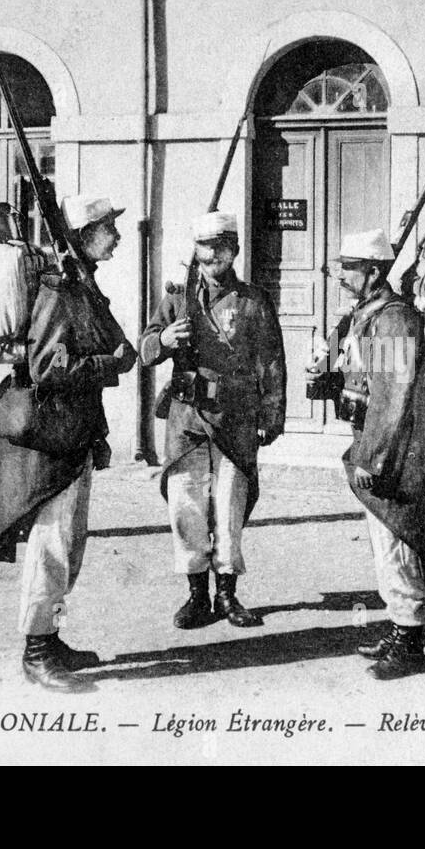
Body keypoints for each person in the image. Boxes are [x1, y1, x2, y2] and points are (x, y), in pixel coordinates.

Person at [0, 195, 137, 692]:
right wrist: (111, 363)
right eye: (109, 228)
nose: (116, 236)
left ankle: (51, 635)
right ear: (86, 234)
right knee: (51, 547)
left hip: (74, 435)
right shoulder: (57, 289)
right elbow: (50, 367)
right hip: (50, 441)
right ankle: (36, 652)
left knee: (70, 543)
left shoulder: (81, 286)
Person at [140, 211, 286, 629]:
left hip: (235, 419)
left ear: (235, 250)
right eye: (206, 246)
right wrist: (165, 340)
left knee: (228, 506)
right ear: (196, 251)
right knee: (186, 506)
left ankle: (227, 593)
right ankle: (195, 595)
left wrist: (272, 414)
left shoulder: (253, 302)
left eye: (223, 245)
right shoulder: (176, 300)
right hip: (186, 420)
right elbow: (145, 349)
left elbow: (272, 362)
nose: (214, 254)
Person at [328, 228, 425, 680]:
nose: (341, 274)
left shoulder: (392, 319)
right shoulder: (367, 313)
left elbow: (393, 395)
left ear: (372, 271)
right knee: (388, 541)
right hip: (384, 442)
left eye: (349, 267)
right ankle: (400, 627)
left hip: (399, 449)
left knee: (399, 541)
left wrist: (372, 456)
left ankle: (410, 640)